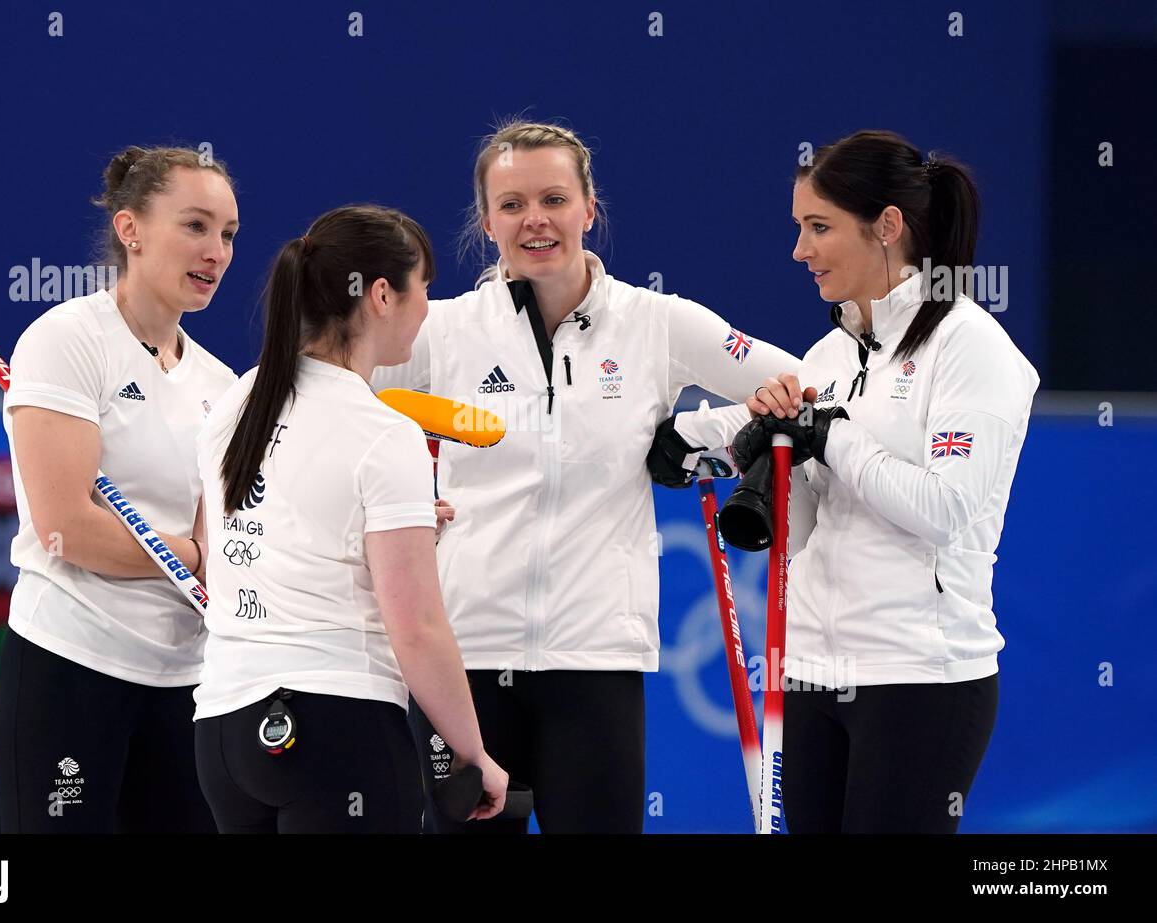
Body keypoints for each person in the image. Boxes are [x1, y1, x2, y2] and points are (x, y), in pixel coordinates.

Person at [370, 120, 801, 834]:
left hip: (594, 657)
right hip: (465, 662)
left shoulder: (655, 322)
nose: (534, 219)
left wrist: (702, 438)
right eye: (511, 205)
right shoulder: (441, 330)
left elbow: (805, 388)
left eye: (553, 198)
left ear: (588, 209)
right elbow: (319, 389)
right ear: (486, 221)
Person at [724, 129, 1039, 832]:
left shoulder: (969, 344)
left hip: (920, 675)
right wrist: (778, 458)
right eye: (799, 228)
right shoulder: (827, 353)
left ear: (887, 226)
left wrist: (831, 435)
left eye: (819, 227)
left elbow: (945, 508)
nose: (799, 250)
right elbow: (802, 532)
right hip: (811, 670)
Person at [193, 205, 509, 834]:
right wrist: (473, 753)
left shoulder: (232, 402)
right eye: (424, 287)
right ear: (384, 296)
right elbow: (416, 626)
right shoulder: (382, 434)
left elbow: (239, 542)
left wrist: (399, 531)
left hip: (224, 735)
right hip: (338, 728)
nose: (427, 308)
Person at [0, 145, 240, 832]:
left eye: (227, 233)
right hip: (70, 666)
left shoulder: (222, 385)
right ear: (130, 230)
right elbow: (67, 529)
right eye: (195, 226)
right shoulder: (66, 341)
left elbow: (226, 538)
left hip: (187, 682)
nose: (215, 251)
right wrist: (189, 555)